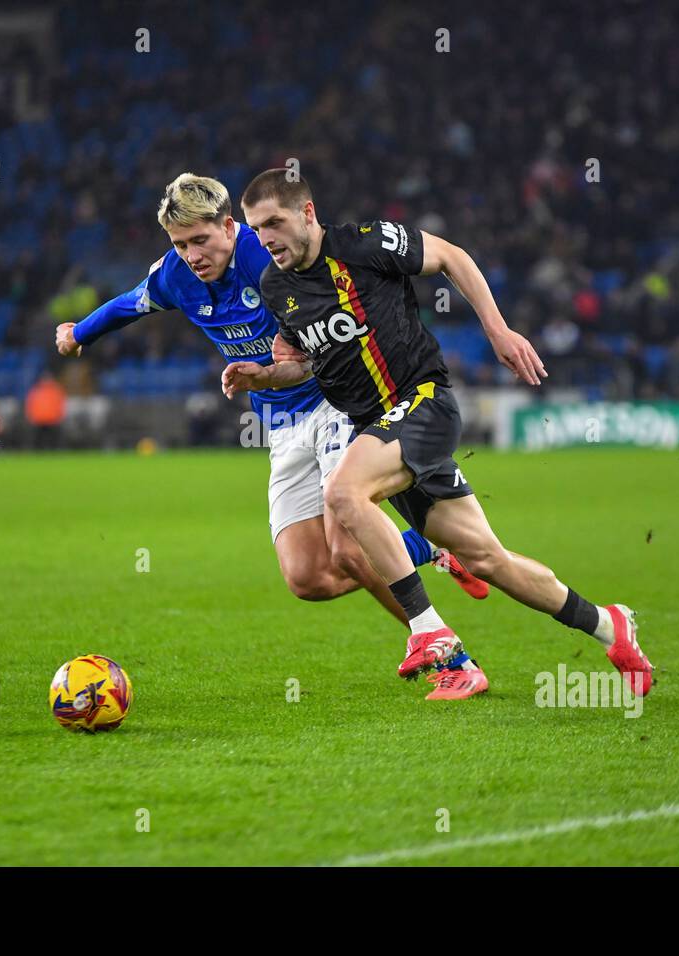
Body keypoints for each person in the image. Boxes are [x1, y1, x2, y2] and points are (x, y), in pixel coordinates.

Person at [227, 169, 653, 700]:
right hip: (378, 431)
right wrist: (264, 375)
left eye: (274, 222)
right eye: (256, 228)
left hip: (423, 402)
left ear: (307, 214)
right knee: (488, 559)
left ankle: (429, 631)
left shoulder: (363, 244)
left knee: (342, 493)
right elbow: (301, 362)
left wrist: (497, 329)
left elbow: (453, 256)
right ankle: (609, 625)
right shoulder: (275, 285)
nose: (265, 238)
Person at [55, 173, 487, 632]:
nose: (192, 255)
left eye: (199, 240)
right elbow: (129, 304)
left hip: (336, 404)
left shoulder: (269, 253)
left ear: (228, 226)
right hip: (280, 423)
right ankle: (430, 547)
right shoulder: (175, 275)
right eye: (180, 244)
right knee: (310, 578)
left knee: (348, 552)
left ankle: (441, 648)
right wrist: (78, 334)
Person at [25, 371, 67, 449]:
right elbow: (30, 405)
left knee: (54, 439)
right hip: (40, 420)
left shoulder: (56, 390)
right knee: (37, 440)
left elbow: (60, 405)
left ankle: (55, 450)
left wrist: (59, 416)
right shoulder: (36, 391)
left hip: (52, 420)